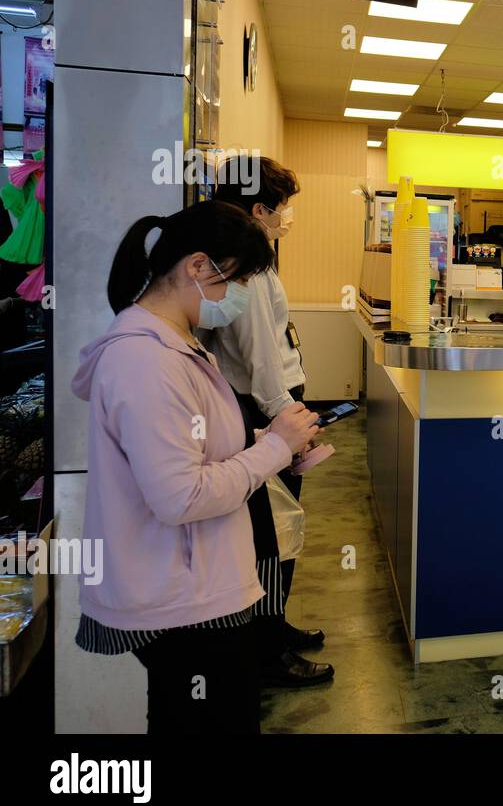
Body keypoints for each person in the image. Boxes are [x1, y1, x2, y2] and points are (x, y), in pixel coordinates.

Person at [71, 202, 320, 733]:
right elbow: (180, 496)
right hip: (183, 602)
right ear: (199, 266)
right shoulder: (145, 360)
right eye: (242, 279)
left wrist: (270, 439)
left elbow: (192, 444)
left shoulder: (177, 342)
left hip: (202, 587)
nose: (245, 295)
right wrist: (274, 448)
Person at [205, 155, 334, 688]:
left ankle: (274, 628)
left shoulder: (241, 257)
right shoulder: (249, 266)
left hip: (265, 403)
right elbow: (260, 354)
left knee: (277, 527)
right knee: (271, 534)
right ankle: (266, 650)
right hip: (264, 407)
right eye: (283, 209)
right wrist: (289, 419)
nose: (287, 219)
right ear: (259, 209)